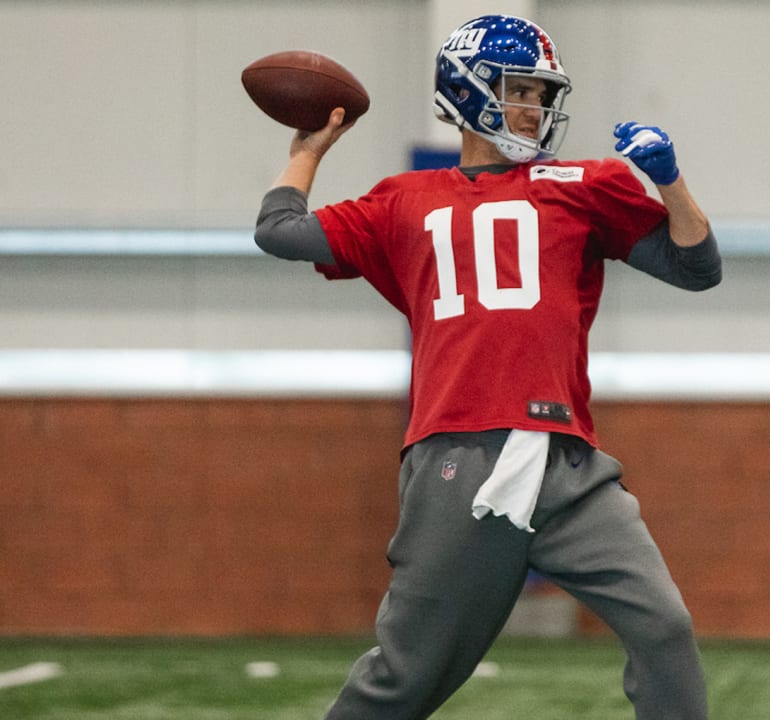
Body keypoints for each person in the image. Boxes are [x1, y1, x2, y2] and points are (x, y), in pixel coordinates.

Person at [253, 14, 720, 720]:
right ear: (470, 94)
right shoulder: (404, 200)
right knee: (405, 678)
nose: (535, 108)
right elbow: (279, 231)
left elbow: (698, 268)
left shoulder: (583, 184)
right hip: (461, 455)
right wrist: (309, 149)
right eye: (521, 91)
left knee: (665, 627)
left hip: (569, 466)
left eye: (541, 93)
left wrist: (671, 181)